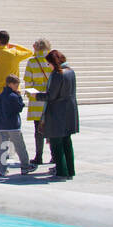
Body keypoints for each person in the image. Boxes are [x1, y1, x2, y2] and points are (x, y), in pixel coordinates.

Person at [0, 31, 34, 161]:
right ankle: (10, 151)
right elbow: (29, 52)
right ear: (7, 41)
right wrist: (13, 46)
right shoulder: (14, 53)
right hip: (12, 93)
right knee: (12, 122)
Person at [35, 50, 79, 180]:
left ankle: (61, 171)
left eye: (49, 63)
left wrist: (36, 95)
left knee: (56, 143)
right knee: (67, 142)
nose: (48, 66)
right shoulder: (71, 71)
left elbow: (51, 96)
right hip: (69, 111)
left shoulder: (57, 74)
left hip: (56, 112)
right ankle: (70, 170)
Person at [0, 75, 36, 178]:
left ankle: (2, 169)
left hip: (2, 125)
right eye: (16, 84)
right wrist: (20, 97)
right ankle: (25, 166)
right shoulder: (13, 96)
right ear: (10, 84)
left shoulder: (0, 96)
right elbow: (19, 108)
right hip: (13, 125)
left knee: (4, 147)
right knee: (20, 146)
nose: (17, 87)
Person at [23, 38, 52, 165]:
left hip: (36, 100)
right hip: (50, 99)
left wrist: (33, 96)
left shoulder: (32, 62)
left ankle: (38, 156)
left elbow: (28, 82)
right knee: (52, 130)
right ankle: (54, 156)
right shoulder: (51, 60)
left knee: (38, 130)